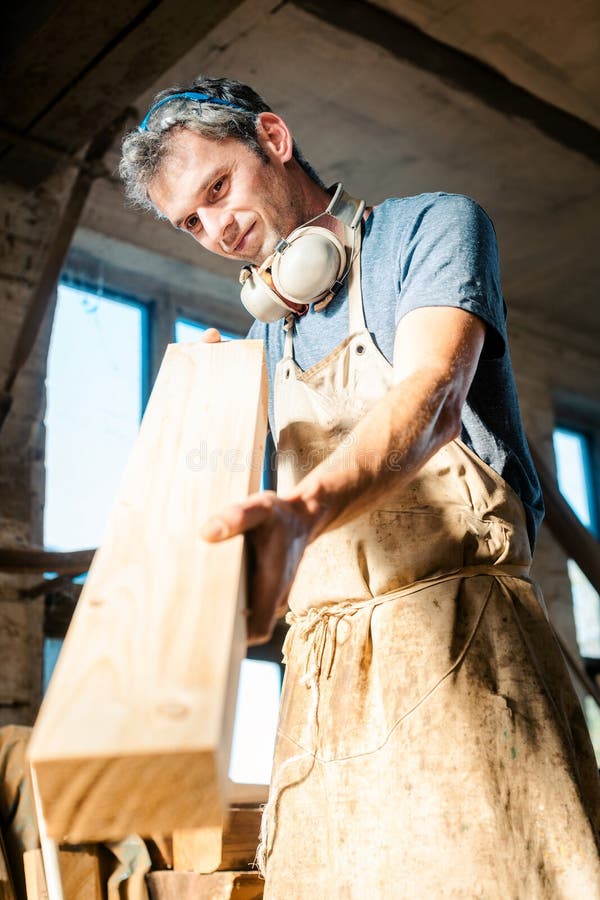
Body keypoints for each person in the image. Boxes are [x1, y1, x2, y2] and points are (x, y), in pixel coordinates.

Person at [120, 77, 600, 898]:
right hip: (325, 683)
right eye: (191, 222)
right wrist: (209, 405)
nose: (219, 229)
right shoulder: (263, 336)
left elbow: (433, 397)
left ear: (272, 137)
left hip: (464, 644)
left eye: (219, 188)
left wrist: (303, 512)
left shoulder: (430, 227)